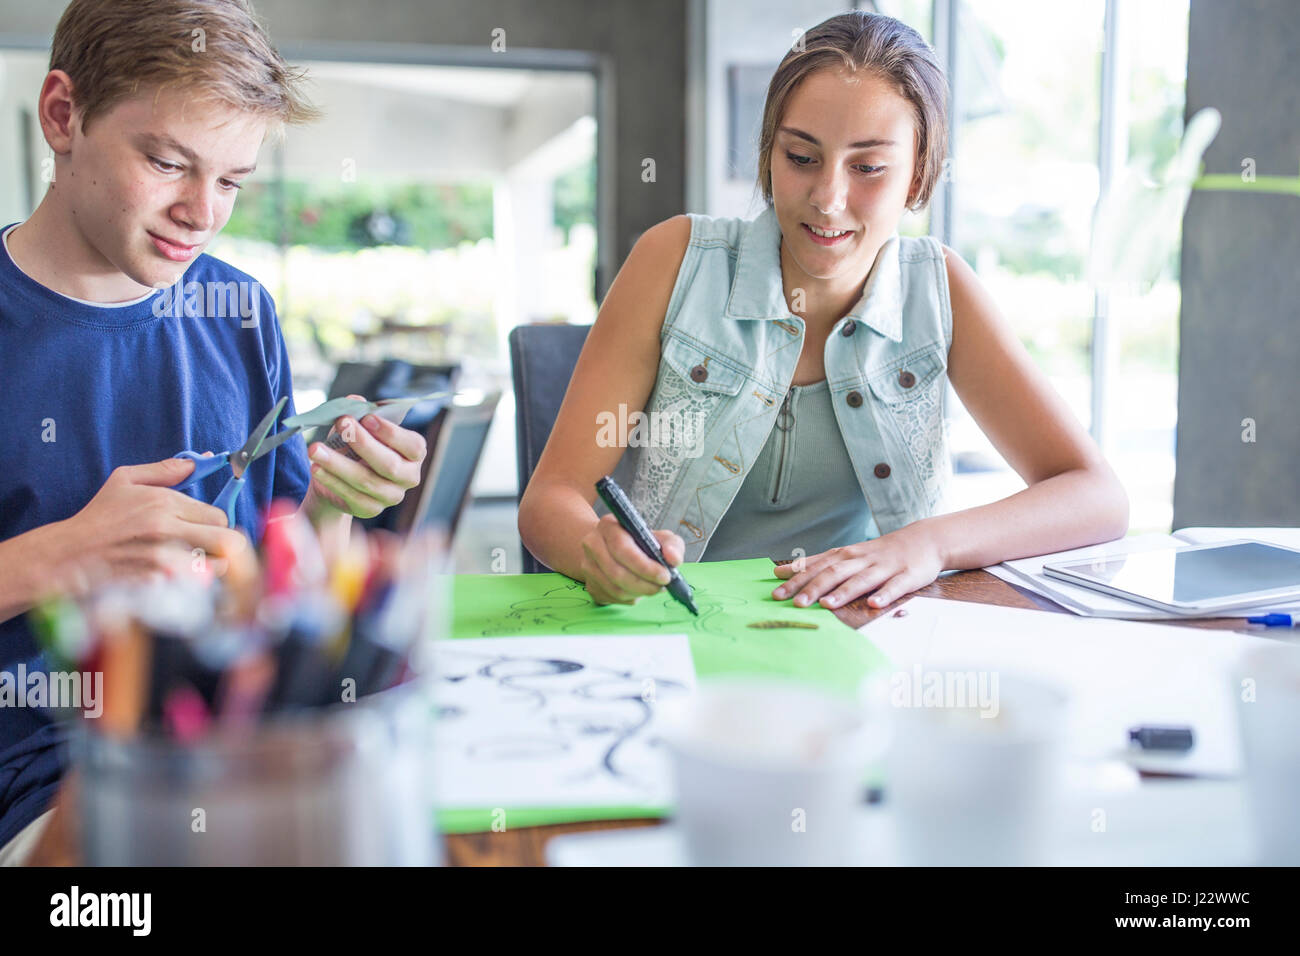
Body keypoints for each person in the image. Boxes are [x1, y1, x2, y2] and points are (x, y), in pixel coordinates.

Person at [0, 0, 427, 861]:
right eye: (167, 163)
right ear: (62, 116)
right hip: (49, 788)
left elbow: (274, 574)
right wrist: (58, 557)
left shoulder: (239, 314)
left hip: (245, 756)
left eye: (232, 181)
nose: (203, 212)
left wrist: (337, 506)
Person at [518, 11, 1128, 611]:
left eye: (868, 168)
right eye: (801, 158)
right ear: (768, 158)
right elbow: (550, 498)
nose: (828, 200)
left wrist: (928, 545)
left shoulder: (939, 289)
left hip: (871, 641)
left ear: (918, 177)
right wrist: (593, 549)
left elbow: (1096, 496)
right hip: (682, 634)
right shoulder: (673, 259)